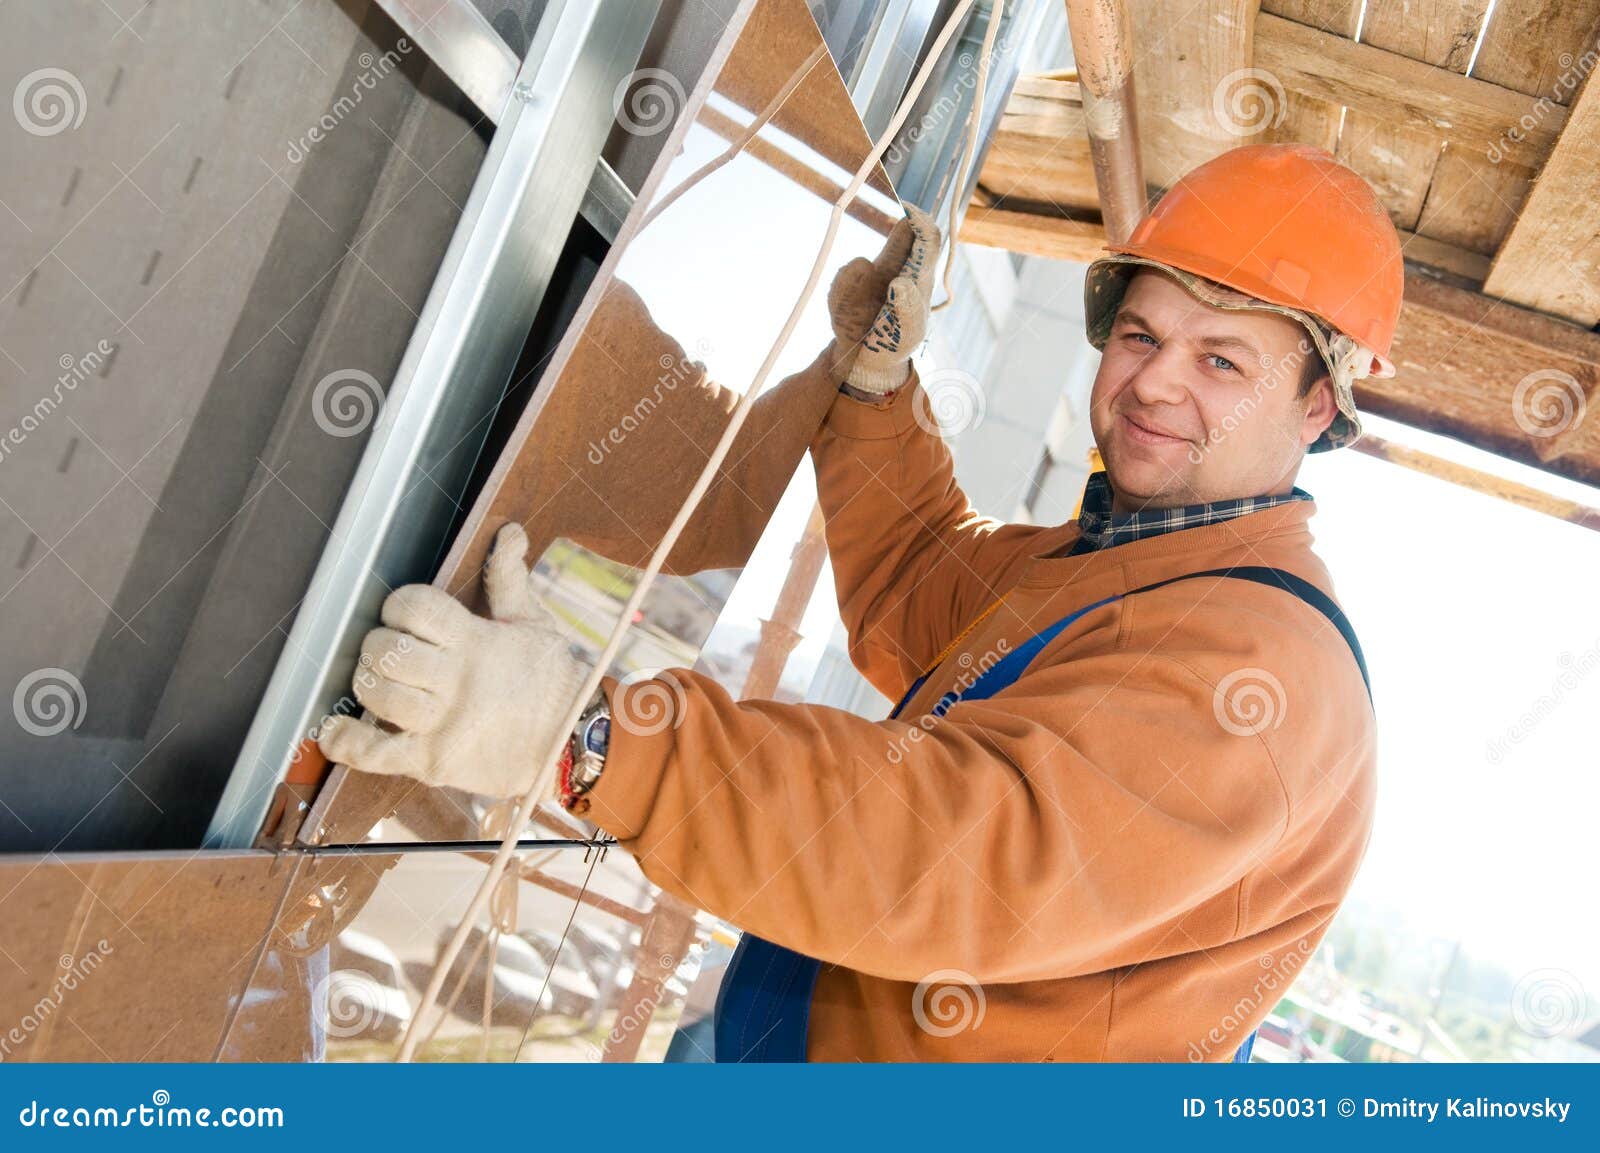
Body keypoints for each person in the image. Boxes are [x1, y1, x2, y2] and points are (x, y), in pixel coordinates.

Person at [319, 143, 1401, 1061]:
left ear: (1317, 408)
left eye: (1222, 359)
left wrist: (586, 738)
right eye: (1140, 336)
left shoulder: (1262, 669)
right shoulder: (1112, 564)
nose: (1158, 382)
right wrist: (876, 391)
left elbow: (955, 858)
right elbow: (923, 581)